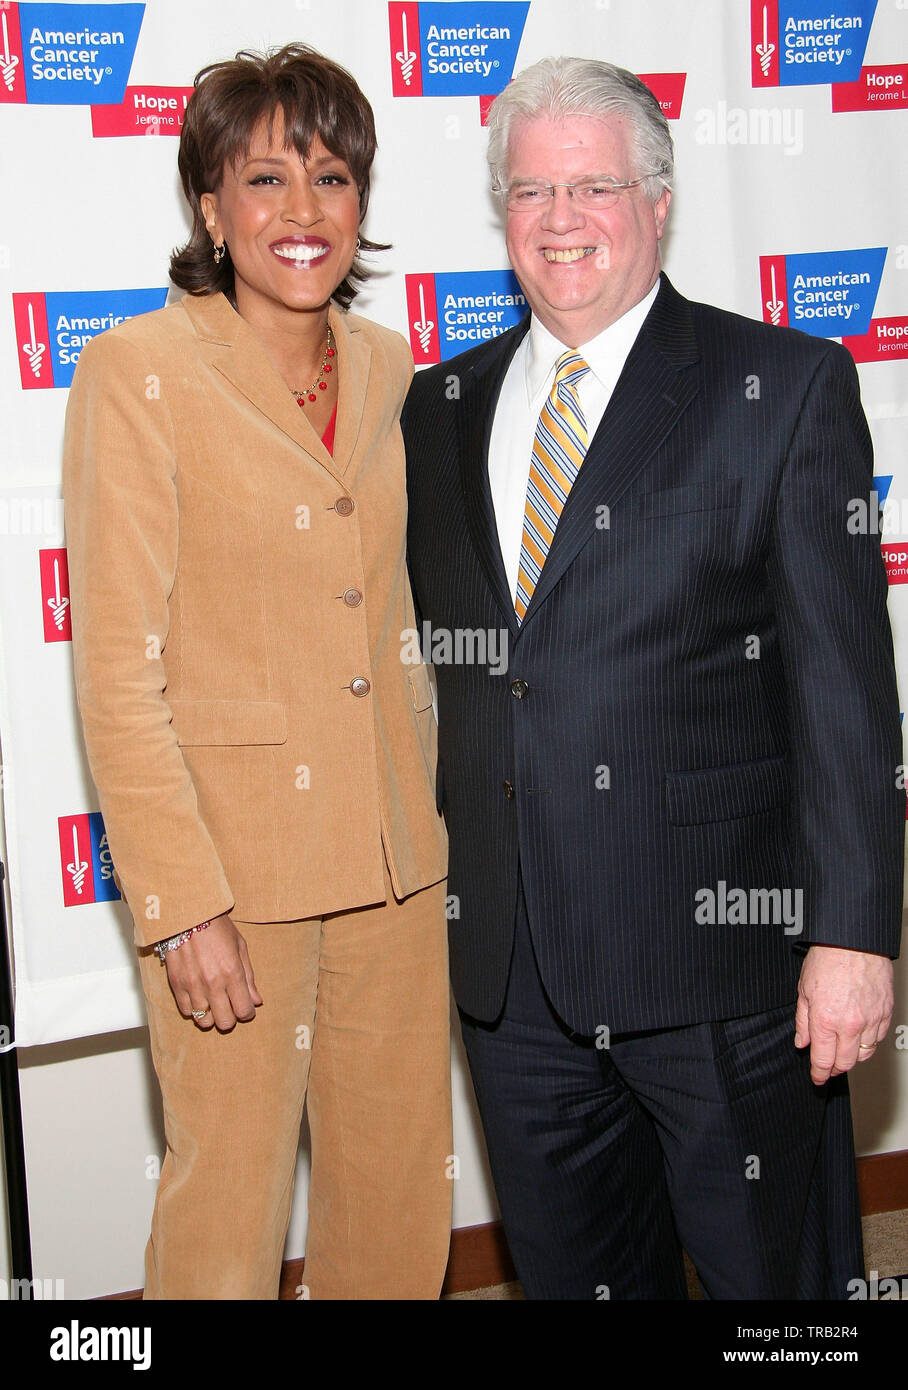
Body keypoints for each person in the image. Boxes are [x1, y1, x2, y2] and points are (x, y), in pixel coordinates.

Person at [402, 55, 903, 1300]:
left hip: (724, 973)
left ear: (660, 200)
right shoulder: (434, 409)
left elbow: (844, 688)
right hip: (514, 981)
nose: (558, 220)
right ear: (499, 211)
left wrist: (851, 932)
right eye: (529, 191)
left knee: (772, 1291)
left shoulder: (780, 388)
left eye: (593, 188)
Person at [63, 43, 451, 1301]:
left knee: (395, 1217)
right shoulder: (139, 373)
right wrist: (178, 903)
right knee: (222, 1233)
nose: (302, 213)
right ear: (208, 206)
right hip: (234, 885)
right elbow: (119, 668)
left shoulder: (396, 370)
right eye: (266, 178)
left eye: (332, 178)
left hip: (396, 868)